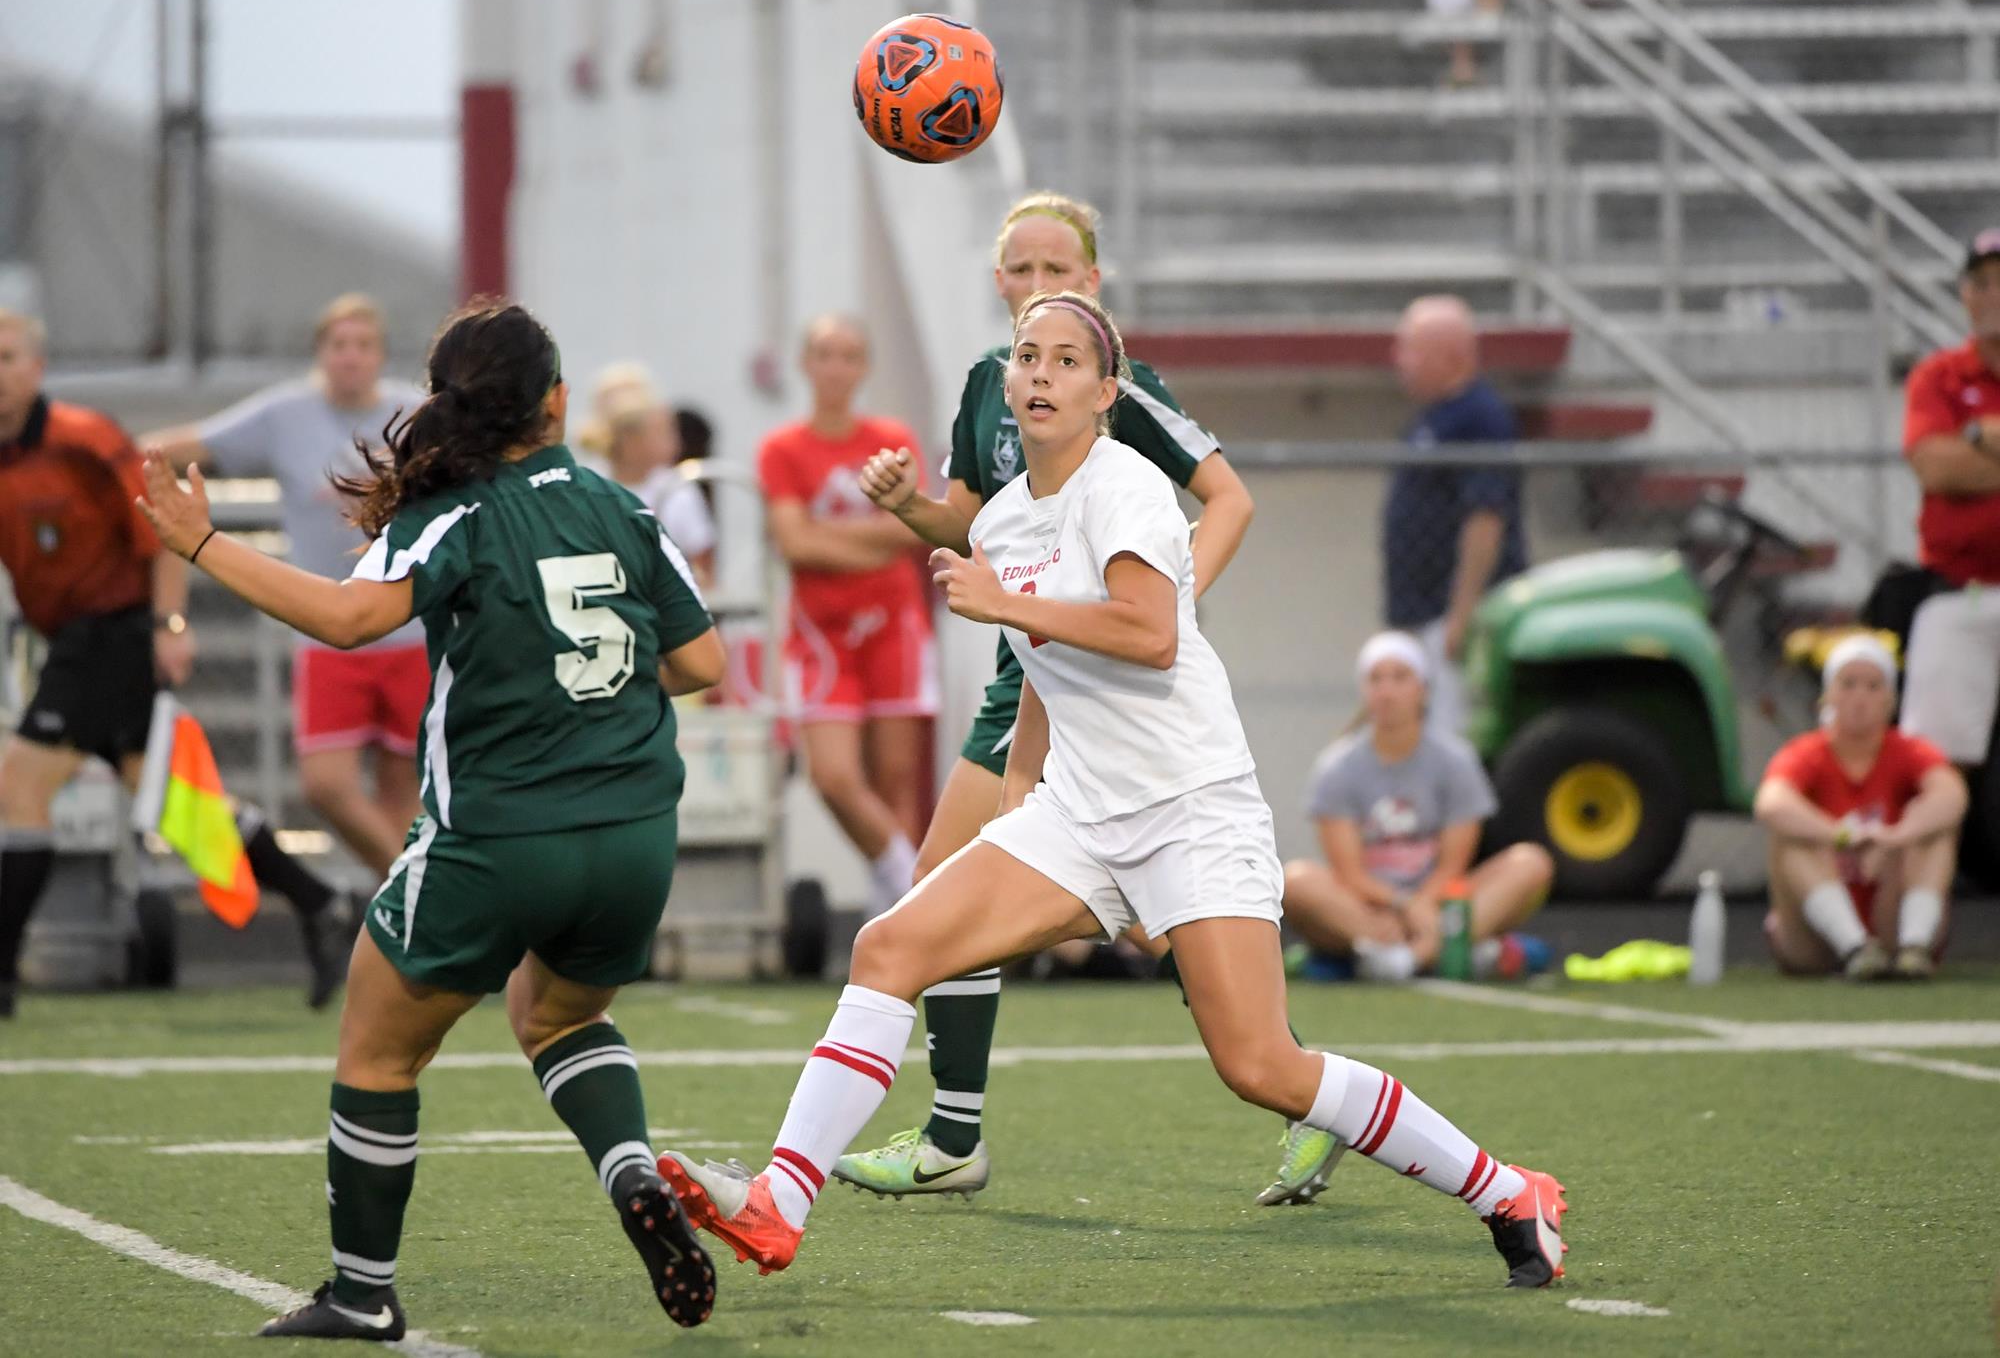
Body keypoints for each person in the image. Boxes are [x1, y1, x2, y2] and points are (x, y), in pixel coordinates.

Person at [656, 290, 1570, 1291]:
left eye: (1063, 360)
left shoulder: (1125, 485)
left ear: (1105, 392)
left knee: (1259, 1065)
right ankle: (780, 1206)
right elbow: (1043, 676)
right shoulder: (1002, 518)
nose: (1040, 372)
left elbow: (1149, 632)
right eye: (1025, 357)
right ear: (1006, 385)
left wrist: (1000, 599)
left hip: (1191, 807)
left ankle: (1507, 1190)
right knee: (888, 944)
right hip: (1079, 813)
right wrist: (1014, 803)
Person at [136, 299, 726, 1337]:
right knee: (558, 1016)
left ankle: (362, 1293)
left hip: (500, 835)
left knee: (375, 1051)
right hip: (637, 831)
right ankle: (632, 1169)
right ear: (555, 403)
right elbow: (702, 662)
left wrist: (201, 543)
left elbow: (350, 619)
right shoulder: (624, 507)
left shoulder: (455, 511)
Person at [834, 191, 1301, 1203]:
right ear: (997, 283)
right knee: (939, 887)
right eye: (1019, 271)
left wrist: (1165, 597)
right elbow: (969, 524)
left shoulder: (1115, 387)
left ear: (1091, 285)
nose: (1037, 288)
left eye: (1058, 271)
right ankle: (953, 1132)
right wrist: (904, 502)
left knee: (1174, 918)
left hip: (1107, 670)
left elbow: (1229, 498)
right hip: (1027, 670)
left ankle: (1303, 1093)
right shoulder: (986, 386)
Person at [0, 309, 346, 1016]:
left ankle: (1, 975)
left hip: (114, 635)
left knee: (20, 787)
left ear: (37, 368)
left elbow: (159, 531)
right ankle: (323, 903)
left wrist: (169, 624)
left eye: (6, 357)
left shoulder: (84, 440)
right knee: (178, 809)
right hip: (71, 640)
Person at [148, 294, 431, 880]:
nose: (351, 358)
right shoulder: (285, 415)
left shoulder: (415, 414)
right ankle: (415, 886)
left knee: (403, 789)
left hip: (410, 627)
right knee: (325, 784)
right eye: (339, 345)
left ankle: (406, 914)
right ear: (320, 353)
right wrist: (105, 453)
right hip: (326, 626)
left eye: (363, 345)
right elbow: (170, 448)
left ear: (380, 355)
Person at [757, 314, 935, 915]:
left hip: (895, 625)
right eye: (825, 354)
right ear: (806, 364)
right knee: (832, 776)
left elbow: (910, 531)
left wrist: (825, 533)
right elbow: (794, 544)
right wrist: (869, 537)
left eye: (850, 355)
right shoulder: (782, 449)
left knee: (897, 777)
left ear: (864, 367)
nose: (836, 368)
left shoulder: (892, 438)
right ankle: (906, 885)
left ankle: (893, 915)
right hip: (821, 635)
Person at [1281, 631, 1553, 981]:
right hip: (1369, 909)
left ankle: (1402, 959)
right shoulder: (1336, 767)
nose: (1387, 690)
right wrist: (1403, 905)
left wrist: (1425, 908)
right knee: (1294, 880)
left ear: (1422, 689)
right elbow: (1350, 875)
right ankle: (1455, 952)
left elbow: (1453, 865)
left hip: (1441, 905)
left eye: (1399, 677)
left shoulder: (1456, 761)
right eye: (1376, 679)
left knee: (1530, 863)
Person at [1756, 634, 1965, 981]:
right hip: (1814, 939)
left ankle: (1914, 945)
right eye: (1848, 684)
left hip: (1890, 913)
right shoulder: (1806, 753)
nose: (1860, 699)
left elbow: (1951, 796)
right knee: (1791, 839)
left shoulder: (1911, 752)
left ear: (1890, 698)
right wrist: (1841, 836)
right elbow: (1772, 803)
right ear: (1829, 694)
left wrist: (1896, 837)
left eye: (1873, 686)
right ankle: (1854, 946)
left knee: (1934, 831)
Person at [1381, 294, 1527, 738]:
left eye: (1410, 348)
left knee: (1449, 738)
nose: (1398, 360)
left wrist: (1461, 617)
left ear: (1451, 355)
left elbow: (1485, 518)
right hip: (1420, 616)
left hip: (1450, 621)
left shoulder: (1480, 417)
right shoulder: (1434, 417)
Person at [1898, 231, 2000, 781]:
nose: (1992, 295)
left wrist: (1984, 438)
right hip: (1963, 590)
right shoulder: (1938, 377)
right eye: (1980, 283)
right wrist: (1967, 452)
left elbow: (1959, 461)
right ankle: (1928, 868)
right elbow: (1937, 467)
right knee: (1934, 764)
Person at [579, 362, 717, 586]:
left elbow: (702, 565)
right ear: (630, 441)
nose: (675, 441)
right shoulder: (585, 484)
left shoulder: (678, 489)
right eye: (661, 432)